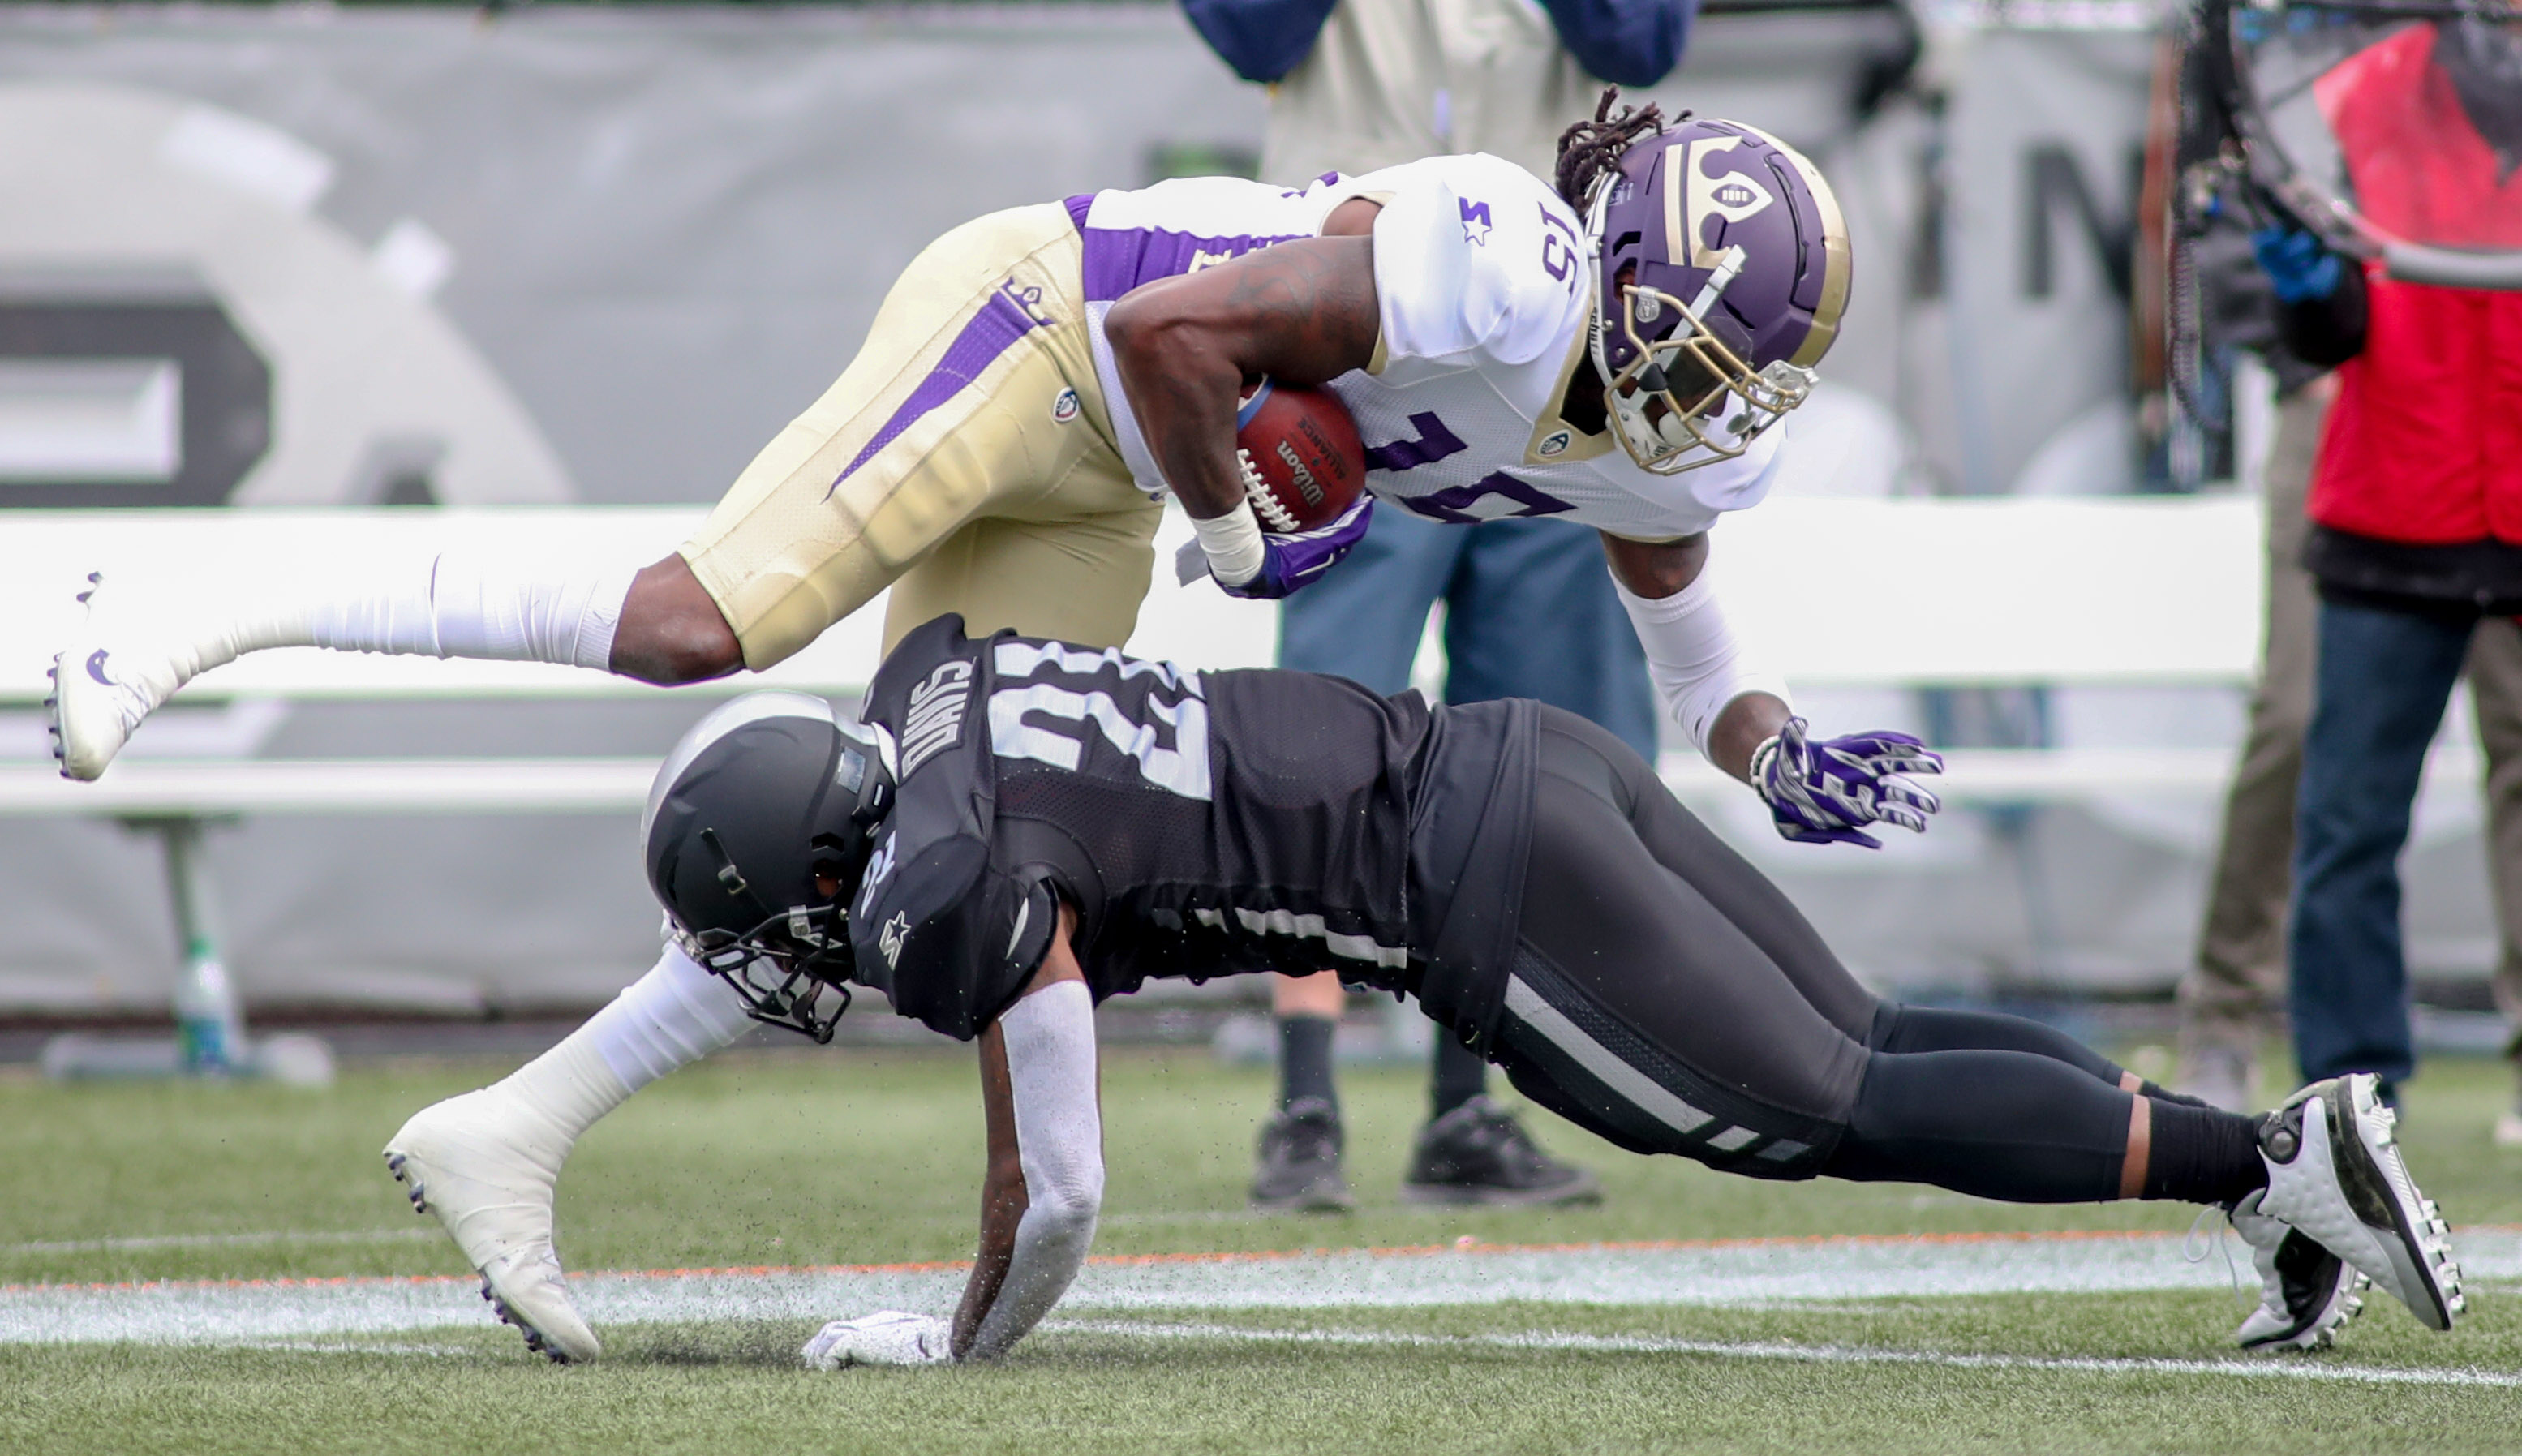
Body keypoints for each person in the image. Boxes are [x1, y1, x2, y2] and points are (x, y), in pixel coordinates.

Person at [62, 98, 1944, 1359]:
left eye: (1732, 374)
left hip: (1104, 484)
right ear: (1605, 256)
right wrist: (1236, 530)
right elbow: (1174, 341)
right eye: (1685, 345)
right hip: (1054, 328)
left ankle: (527, 1131)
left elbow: (1699, 673)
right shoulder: (1502, 257)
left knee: (977, 846)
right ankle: (200, 607)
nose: (1698, 401)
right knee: (702, 621)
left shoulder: (1648, 430)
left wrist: (1775, 752)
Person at [397, 616, 2464, 1368]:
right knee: (1872, 1036)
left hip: (1473, 884)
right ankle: (2263, 1188)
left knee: (1814, 1109)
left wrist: (952, 1350)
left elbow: (1064, 1195)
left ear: (832, 864)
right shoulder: (927, 691)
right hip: (1513, 753)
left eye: (773, 926)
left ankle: (2281, 1154)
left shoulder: (948, 892)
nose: (785, 971)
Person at [1181, 0, 1698, 1211]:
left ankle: (1464, 1114)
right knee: (1313, 741)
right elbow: (1249, 36)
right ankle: (1303, 1103)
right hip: (1351, 352)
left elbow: (1641, 43)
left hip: (1546, 365)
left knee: (1522, 753)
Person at [2245, 12, 2522, 1122]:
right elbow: (2330, 327)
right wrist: (2304, 290)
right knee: (2348, 823)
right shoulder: (2363, 91)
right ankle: (2349, 1098)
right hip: (2394, 506)